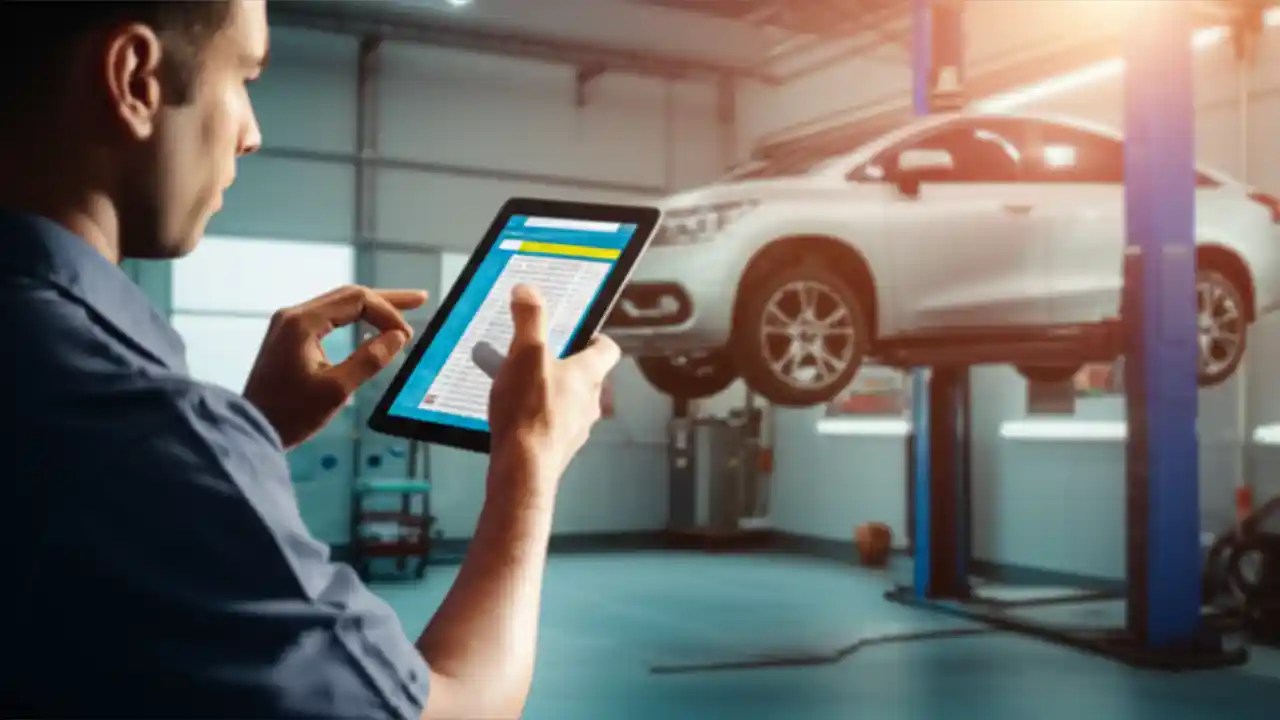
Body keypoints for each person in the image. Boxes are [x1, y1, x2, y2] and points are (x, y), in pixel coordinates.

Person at [0, 1, 620, 718]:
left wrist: (251, 427)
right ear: (134, 79)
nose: (252, 135)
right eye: (246, 77)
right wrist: (530, 462)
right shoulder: (130, 424)